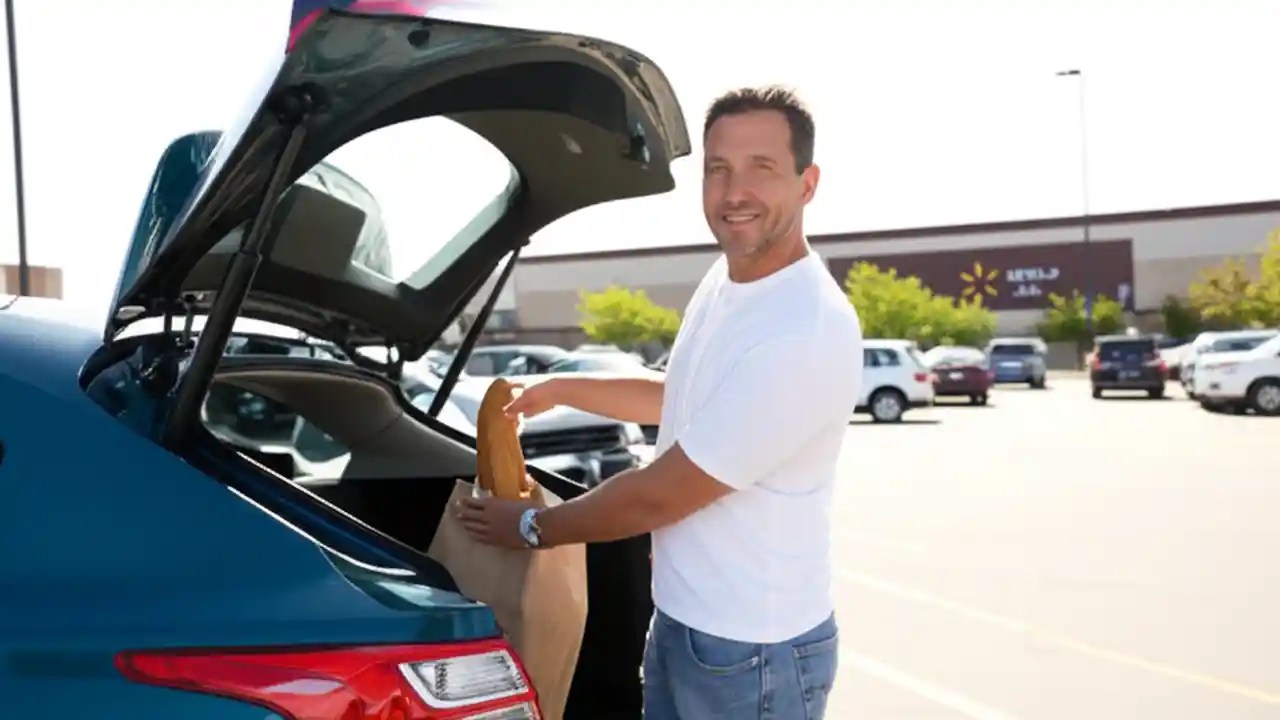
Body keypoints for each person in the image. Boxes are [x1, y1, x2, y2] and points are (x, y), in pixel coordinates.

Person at [456, 85, 863, 719]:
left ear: (807, 184)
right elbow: (681, 396)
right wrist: (563, 389)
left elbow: (660, 493)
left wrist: (534, 527)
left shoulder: (804, 328)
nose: (734, 192)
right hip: (684, 624)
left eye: (763, 168)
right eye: (718, 169)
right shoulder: (727, 282)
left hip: (753, 651)